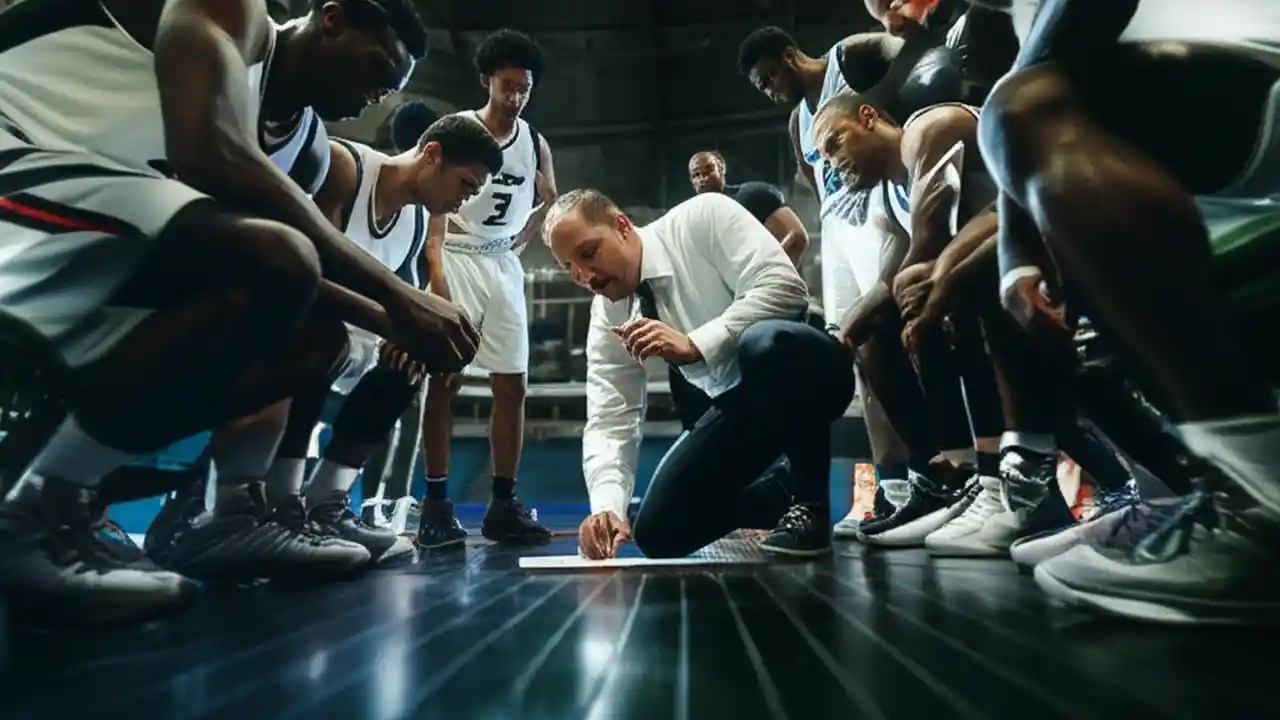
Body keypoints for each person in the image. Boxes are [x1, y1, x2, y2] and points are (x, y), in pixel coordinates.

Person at [0, 0, 481, 624]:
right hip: (21, 162)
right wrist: (397, 298)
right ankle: (37, 512)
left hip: (102, 237)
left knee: (317, 340)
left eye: (389, 87)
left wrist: (395, 324)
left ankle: (200, 512)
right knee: (278, 257)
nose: (376, 95)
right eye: (375, 67)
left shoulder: (305, 149)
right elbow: (211, 153)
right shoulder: (231, 11)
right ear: (329, 19)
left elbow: (285, 273)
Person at [977, 0, 1280, 623]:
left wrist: (1007, 120)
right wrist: (1018, 256)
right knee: (1047, 202)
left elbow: (1026, 94)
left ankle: (1261, 503)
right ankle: (1196, 489)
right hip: (1205, 110)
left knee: (1035, 119)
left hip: (1250, 76)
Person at [545, 189, 855, 559]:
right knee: (658, 533)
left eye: (588, 253)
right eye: (570, 268)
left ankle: (811, 508)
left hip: (810, 375)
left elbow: (785, 289)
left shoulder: (704, 217)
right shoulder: (608, 313)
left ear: (623, 226)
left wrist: (697, 343)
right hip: (741, 408)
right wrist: (607, 506)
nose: (584, 276)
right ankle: (778, 494)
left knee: (763, 344)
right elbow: (611, 414)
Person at [419, 29, 558, 549]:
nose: (515, 97)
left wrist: (523, 236)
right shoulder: (455, 130)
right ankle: (436, 504)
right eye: (507, 86)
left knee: (513, 385)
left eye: (523, 88)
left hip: (501, 264)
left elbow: (548, 199)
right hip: (454, 254)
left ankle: (503, 503)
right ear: (487, 81)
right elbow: (429, 204)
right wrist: (436, 280)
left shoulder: (535, 142)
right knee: (446, 380)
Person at [687, 151, 809, 265]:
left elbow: (797, 236)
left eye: (708, 171)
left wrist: (769, 272)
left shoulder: (750, 196)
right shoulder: (694, 218)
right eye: (696, 175)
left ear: (721, 169)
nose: (702, 179)